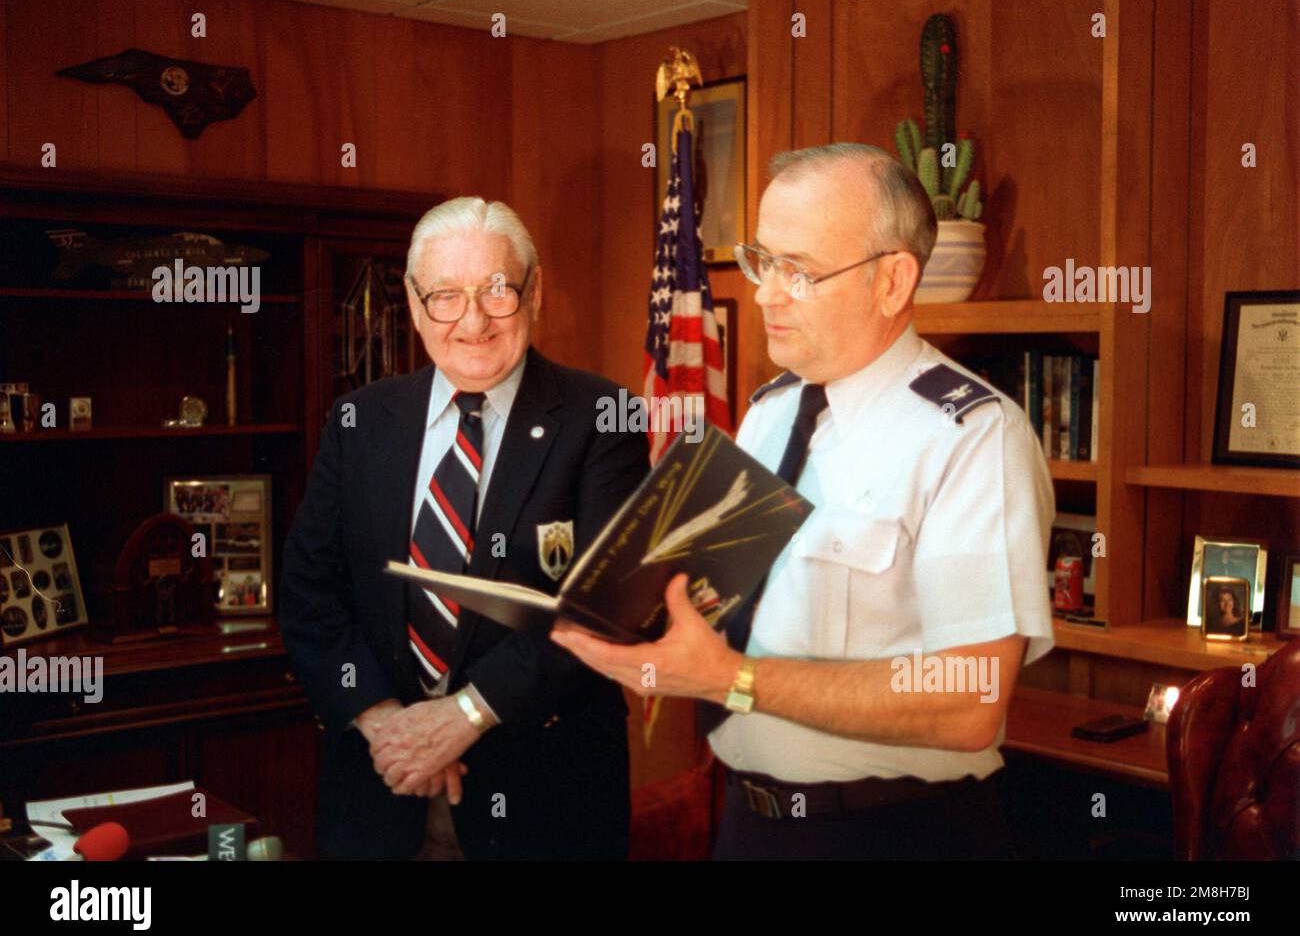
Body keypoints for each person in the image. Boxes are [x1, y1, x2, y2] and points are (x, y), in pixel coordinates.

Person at [553, 143, 1056, 860]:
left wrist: (734, 680)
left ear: (893, 280)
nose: (764, 294)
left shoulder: (974, 437)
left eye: (800, 271)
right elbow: (719, 609)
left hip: (893, 834)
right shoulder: (769, 413)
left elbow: (970, 700)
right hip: (751, 823)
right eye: (764, 260)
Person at [280, 197, 648, 860]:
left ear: (535, 294)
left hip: (547, 805)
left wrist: (464, 715)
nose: (473, 321)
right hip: (379, 790)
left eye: (497, 291)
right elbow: (310, 597)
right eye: (446, 296)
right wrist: (388, 726)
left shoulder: (603, 417)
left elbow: (600, 609)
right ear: (416, 305)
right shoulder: (358, 421)